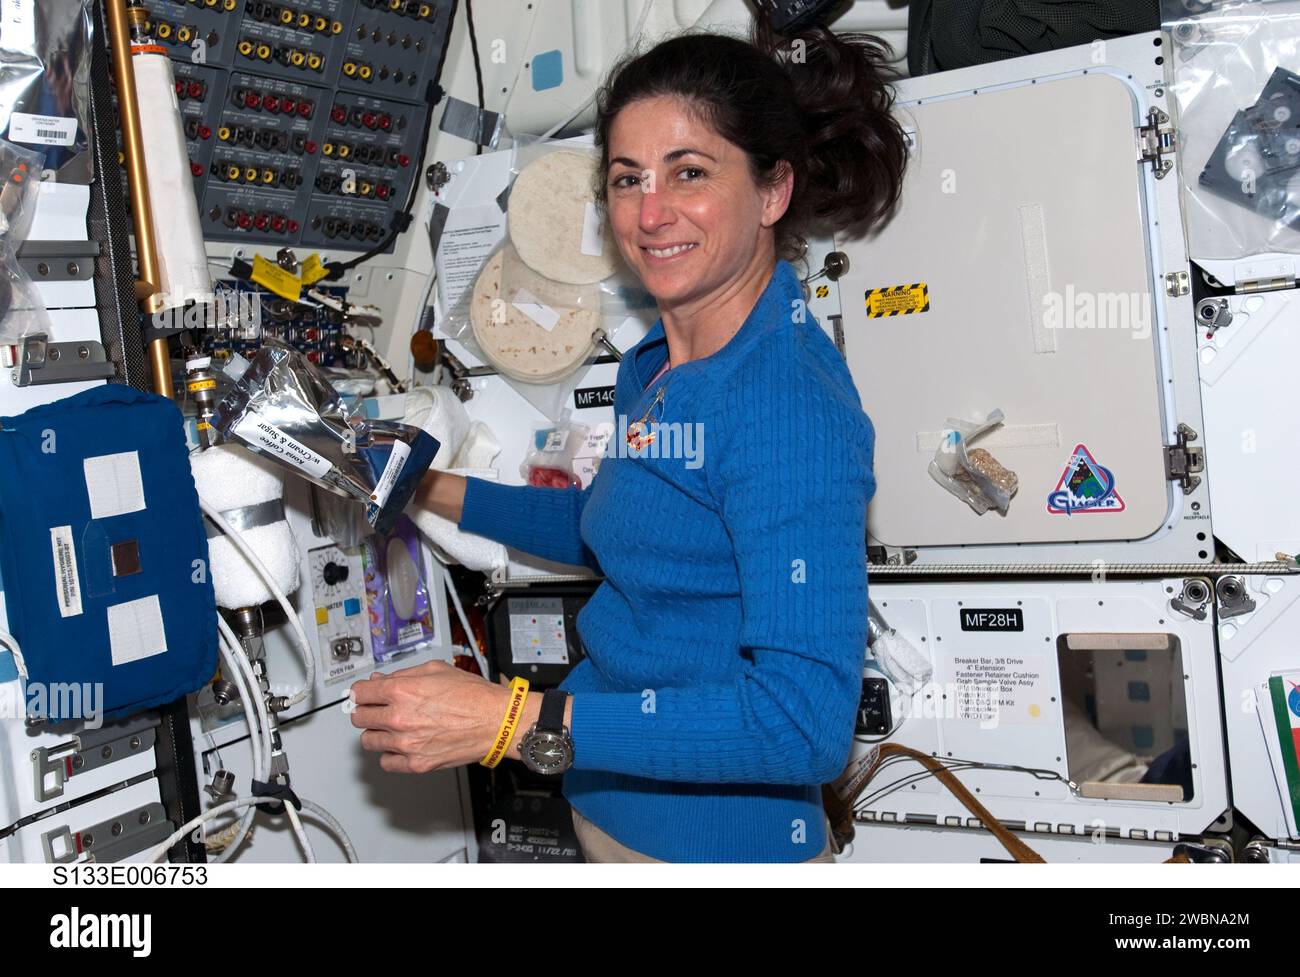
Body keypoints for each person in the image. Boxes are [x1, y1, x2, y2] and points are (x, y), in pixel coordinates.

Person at [350, 22, 909, 863]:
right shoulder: (660, 359)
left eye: (690, 172)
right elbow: (612, 524)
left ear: (771, 191)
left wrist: (510, 719)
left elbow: (803, 727)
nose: (650, 213)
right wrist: (425, 486)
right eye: (626, 178)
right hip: (611, 816)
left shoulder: (787, 405)